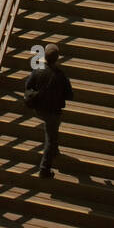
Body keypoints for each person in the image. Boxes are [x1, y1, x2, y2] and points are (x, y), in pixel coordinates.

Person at [24, 43, 73, 178]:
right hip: (52, 111)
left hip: (39, 108)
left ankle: (55, 151)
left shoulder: (38, 70)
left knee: (51, 131)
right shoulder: (60, 76)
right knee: (50, 138)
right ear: (57, 58)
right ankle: (44, 169)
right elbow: (69, 95)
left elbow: (28, 85)